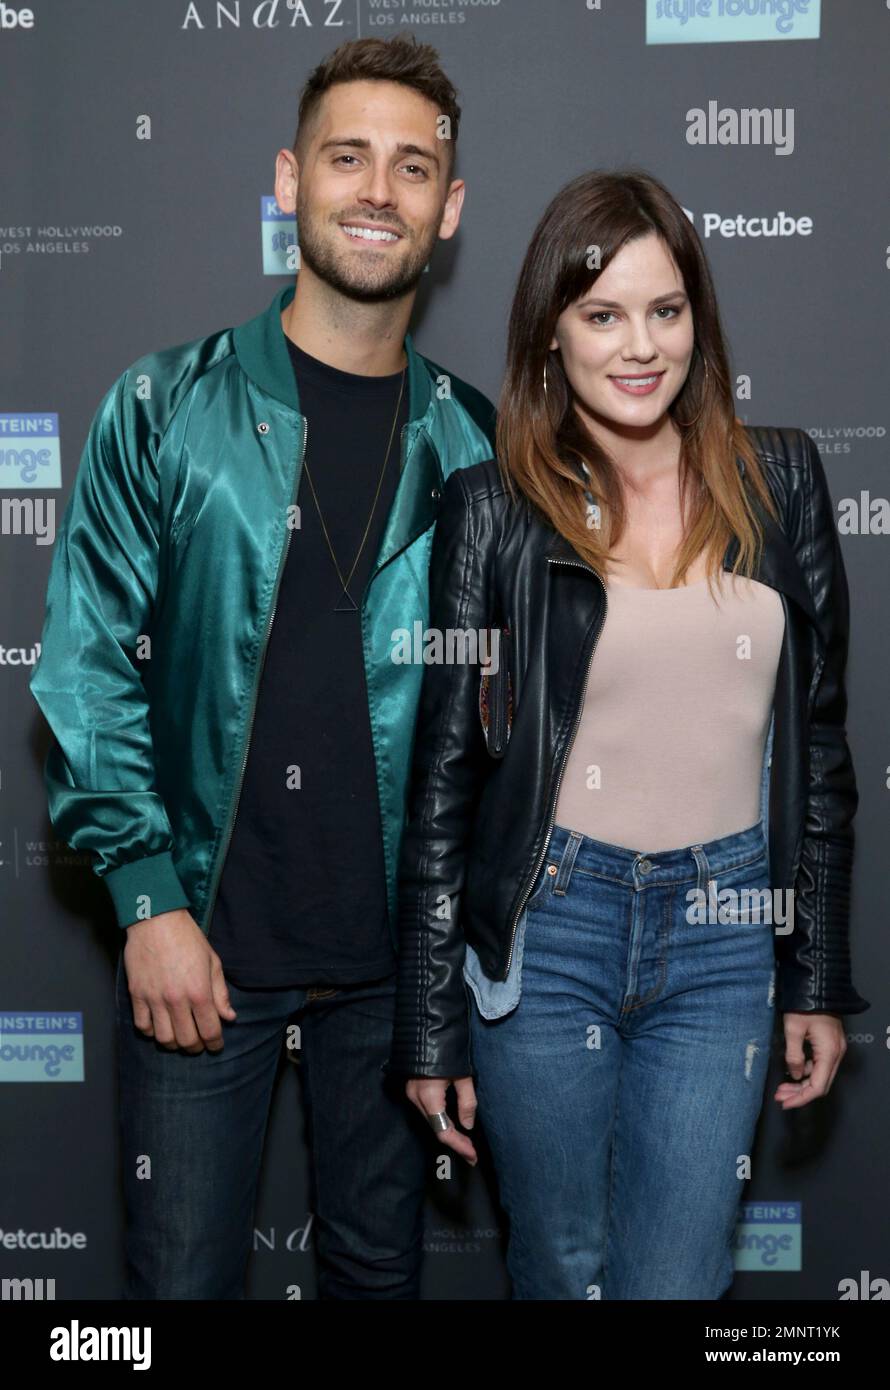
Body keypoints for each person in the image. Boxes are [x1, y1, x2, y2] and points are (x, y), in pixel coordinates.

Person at [29, 35, 496, 1300]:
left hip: (398, 974)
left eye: (412, 168)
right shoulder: (161, 406)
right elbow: (85, 672)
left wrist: (459, 956)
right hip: (202, 955)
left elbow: (504, 720)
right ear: (288, 180)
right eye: (347, 157)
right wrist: (144, 896)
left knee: (375, 1281)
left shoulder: (477, 444)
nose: (376, 190)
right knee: (177, 1286)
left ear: (448, 211)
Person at [386, 169, 870, 1300]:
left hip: (721, 933)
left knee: (676, 1278)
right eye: (600, 314)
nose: (637, 345)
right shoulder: (491, 507)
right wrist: (427, 1025)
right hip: (550, 935)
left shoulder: (782, 478)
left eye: (664, 309)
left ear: (699, 319)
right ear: (550, 335)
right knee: (561, 1268)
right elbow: (444, 778)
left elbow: (817, 752)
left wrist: (815, 973)